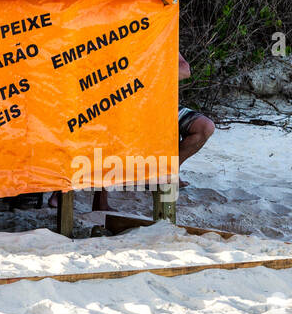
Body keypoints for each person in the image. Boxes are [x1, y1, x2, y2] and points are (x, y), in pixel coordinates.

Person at [91, 52, 216, 212]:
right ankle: (99, 201)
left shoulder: (159, 35)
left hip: (160, 106)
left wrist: (151, 74)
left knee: (205, 127)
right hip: (122, 104)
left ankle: (168, 170)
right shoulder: (119, 35)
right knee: (111, 126)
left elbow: (185, 70)